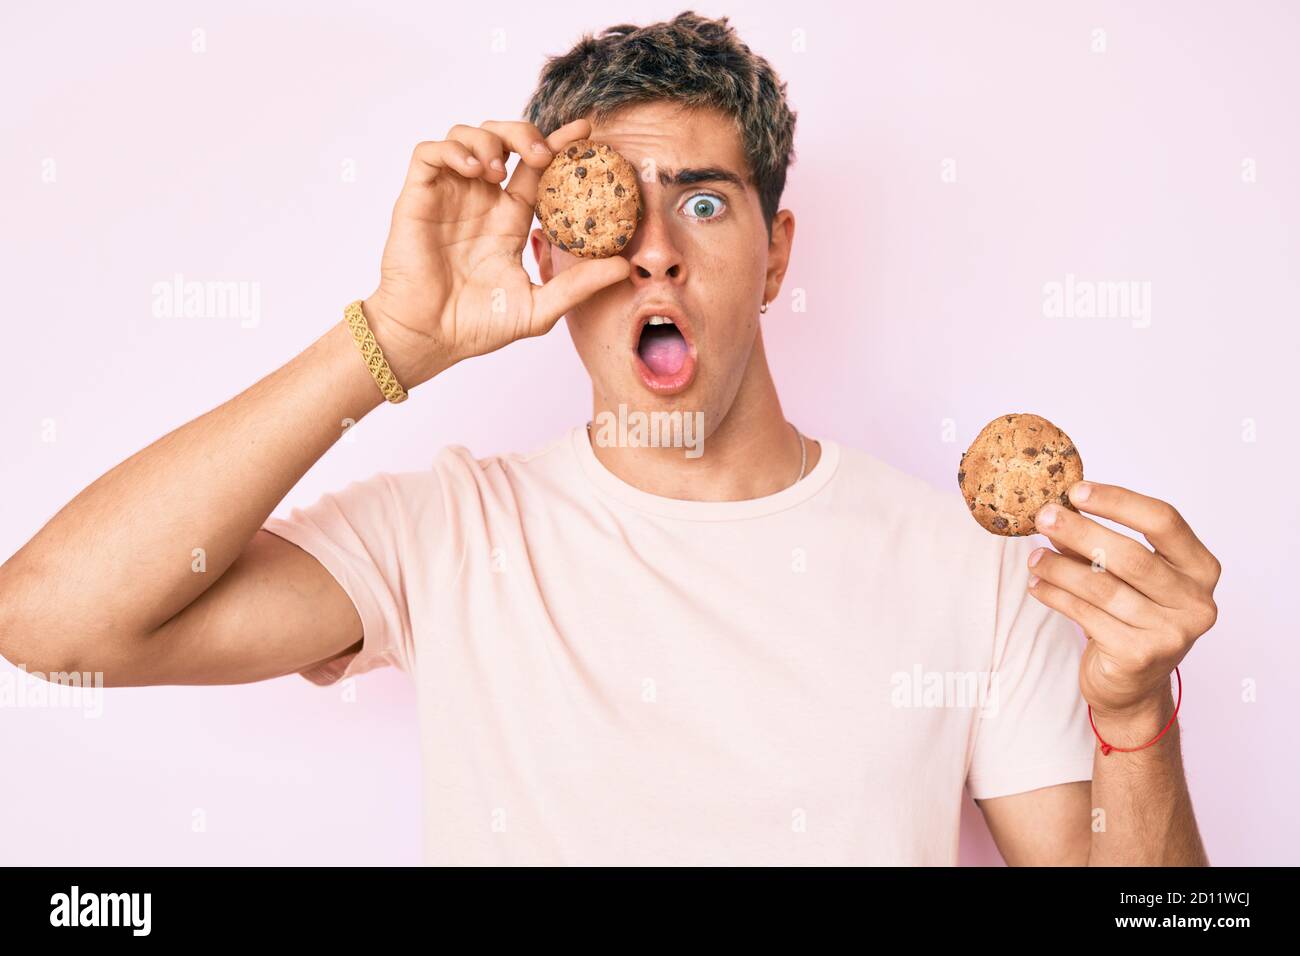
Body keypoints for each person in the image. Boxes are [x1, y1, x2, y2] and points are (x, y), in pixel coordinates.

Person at [0, 11, 1219, 866]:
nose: (652, 247)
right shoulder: (450, 533)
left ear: (776, 252)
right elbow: (52, 623)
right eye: (611, 209)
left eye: (702, 199)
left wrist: (1132, 709)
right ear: (547, 253)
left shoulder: (971, 572)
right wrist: (392, 340)